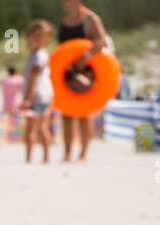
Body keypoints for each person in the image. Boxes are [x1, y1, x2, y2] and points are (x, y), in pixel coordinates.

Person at [57, 0, 110, 161]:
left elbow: (101, 41)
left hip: (86, 71)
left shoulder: (91, 18)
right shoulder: (64, 21)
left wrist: (85, 57)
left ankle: (83, 153)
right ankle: (67, 153)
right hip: (67, 72)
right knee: (66, 114)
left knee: (83, 113)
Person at [21, 20, 55, 164]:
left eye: (40, 36)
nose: (37, 38)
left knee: (33, 128)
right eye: (35, 35)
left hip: (37, 94)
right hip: (44, 94)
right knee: (41, 126)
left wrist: (28, 98)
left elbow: (34, 79)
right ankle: (45, 157)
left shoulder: (38, 56)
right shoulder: (39, 54)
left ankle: (30, 159)